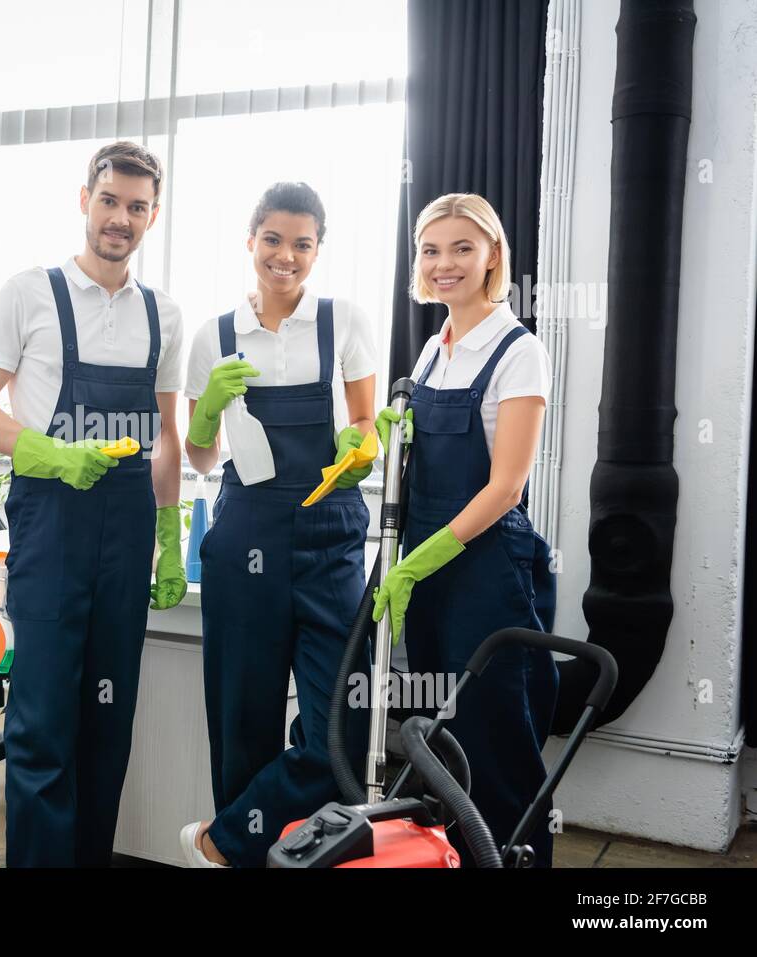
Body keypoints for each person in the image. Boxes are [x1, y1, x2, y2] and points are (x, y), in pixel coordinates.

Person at [0, 141, 186, 867]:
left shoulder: (164, 315)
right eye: (110, 200)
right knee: (42, 719)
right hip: (51, 523)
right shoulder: (30, 293)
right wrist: (45, 451)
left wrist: (170, 533)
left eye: (137, 207)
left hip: (126, 532)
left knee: (107, 721)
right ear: (84, 199)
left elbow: (166, 438)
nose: (121, 218)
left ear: (154, 215)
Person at [178, 182, 378, 867]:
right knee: (244, 718)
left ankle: (222, 840)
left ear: (319, 248)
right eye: (273, 239)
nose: (285, 256)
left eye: (302, 243)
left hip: (331, 535)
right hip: (247, 537)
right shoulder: (215, 335)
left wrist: (362, 445)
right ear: (250, 239)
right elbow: (201, 454)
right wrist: (206, 415)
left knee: (338, 730)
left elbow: (361, 418)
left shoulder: (342, 321)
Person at [373, 191, 558, 866]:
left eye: (461, 248)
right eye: (430, 249)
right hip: (429, 570)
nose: (444, 263)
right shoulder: (432, 350)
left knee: (496, 743)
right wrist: (394, 434)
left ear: (491, 257)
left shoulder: (517, 349)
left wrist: (423, 559)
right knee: (440, 745)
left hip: (485, 572)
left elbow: (505, 484)